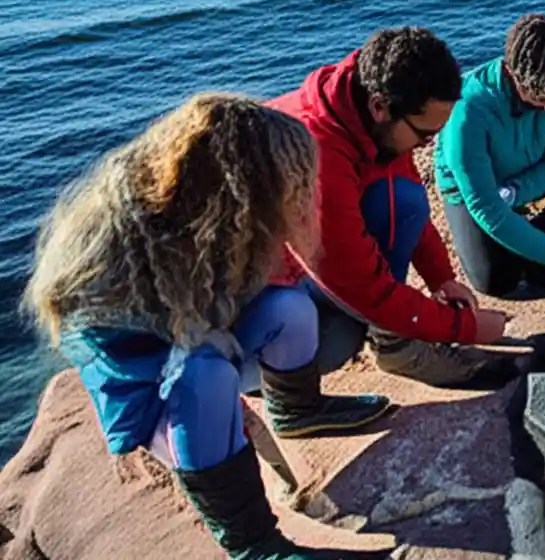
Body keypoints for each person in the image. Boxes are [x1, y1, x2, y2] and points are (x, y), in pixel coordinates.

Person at [24, 94, 391, 560]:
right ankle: (254, 545)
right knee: (207, 377)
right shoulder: (113, 249)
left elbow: (246, 290)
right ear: (232, 186)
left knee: (290, 310)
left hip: (202, 342)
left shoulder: (216, 222)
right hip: (150, 389)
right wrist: (203, 344)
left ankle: (298, 411)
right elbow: (110, 347)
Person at [270, 27, 514, 389]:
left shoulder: (363, 113)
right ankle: (295, 402)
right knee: (339, 341)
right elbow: (364, 289)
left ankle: (389, 338)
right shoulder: (318, 156)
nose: (425, 147)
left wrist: (440, 277)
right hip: (256, 297)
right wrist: (467, 329)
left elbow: (406, 199)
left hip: (310, 261)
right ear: (381, 106)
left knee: (402, 197)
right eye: (424, 136)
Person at [435, 14, 545, 299]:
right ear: (518, 78)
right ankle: (533, 245)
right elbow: (485, 207)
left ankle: (534, 241)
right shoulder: (468, 112)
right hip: (476, 190)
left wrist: (515, 193)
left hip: (522, 173)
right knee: (494, 280)